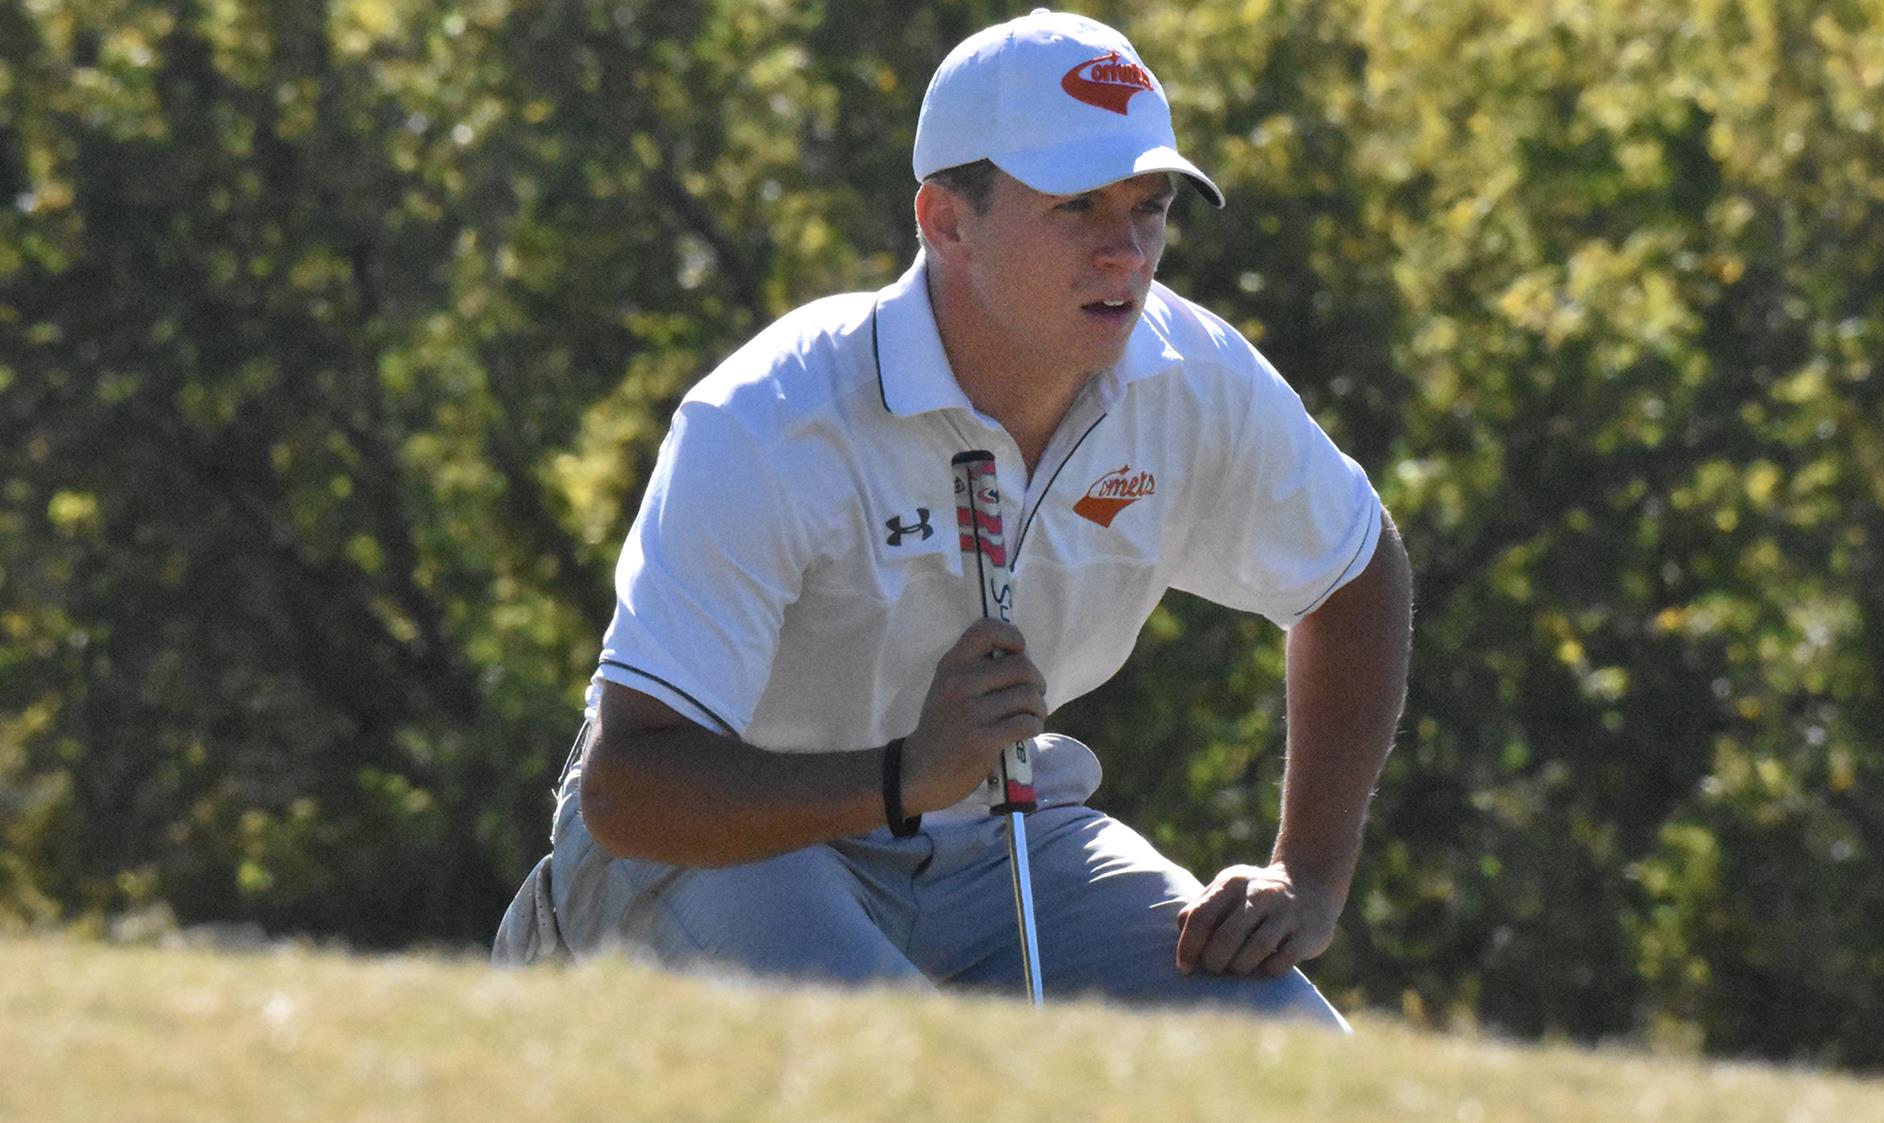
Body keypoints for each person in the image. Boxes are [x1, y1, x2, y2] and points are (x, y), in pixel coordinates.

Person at [493, 8, 1412, 1028]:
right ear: (945, 221)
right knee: (918, 1080)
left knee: (1296, 1057)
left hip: (998, 838)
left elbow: (1355, 575)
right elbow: (627, 790)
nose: (1126, 252)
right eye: (1077, 206)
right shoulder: (769, 418)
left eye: (1149, 208)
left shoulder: (1195, 378)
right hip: (705, 846)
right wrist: (904, 776)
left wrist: (1309, 875)